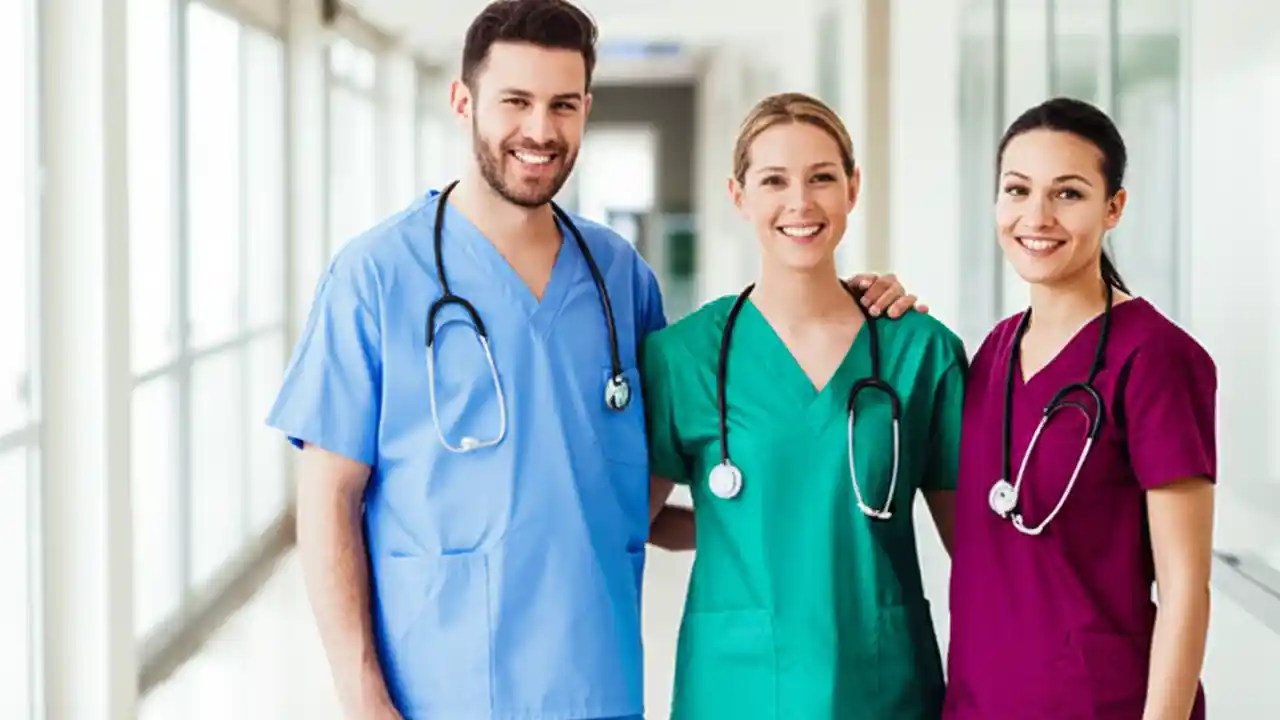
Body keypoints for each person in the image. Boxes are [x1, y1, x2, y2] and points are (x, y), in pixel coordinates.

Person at [265, 2, 920, 718]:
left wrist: (804, 502)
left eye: (563, 105)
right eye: (515, 101)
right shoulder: (376, 276)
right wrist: (361, 694)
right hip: (438, 683)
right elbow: (327, 498)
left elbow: (648, 486)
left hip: (594, 676)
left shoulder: (618, 277)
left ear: (585, 109)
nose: (541, 130)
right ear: (462, 101)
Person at [642, 92, 964, 719]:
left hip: (880, 687)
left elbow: (977, 555)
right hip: (737, 690)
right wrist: (752, 524)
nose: (800, 202)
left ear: (852, 187)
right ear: (738, 195)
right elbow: (632, 520)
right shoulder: (685, 357)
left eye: (821, 178)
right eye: (774, 180)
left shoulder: (921, 352)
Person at [944, 97, 1216, 720]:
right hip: (980, 700)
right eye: (1018, 190)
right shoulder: (994, 352)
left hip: (1102, 703)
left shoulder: (1156, 359)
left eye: (1067, 194)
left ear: (1113, 207)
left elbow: (1184, 588)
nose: (1036, 216)